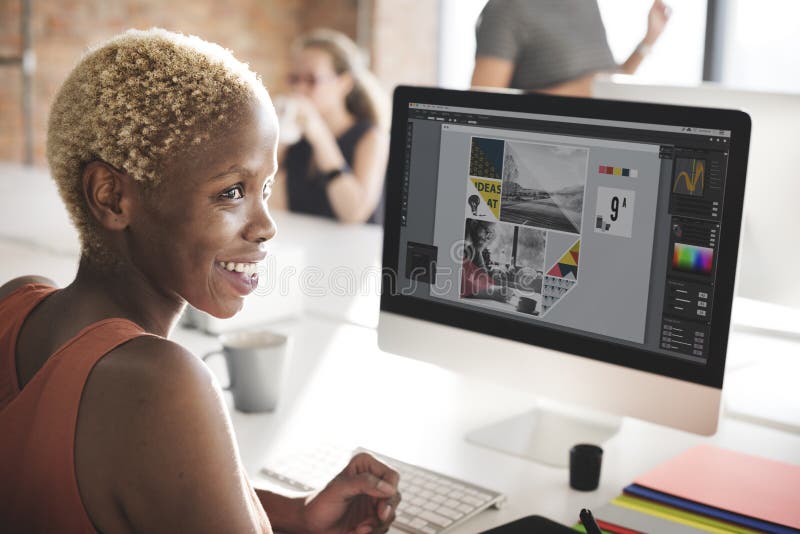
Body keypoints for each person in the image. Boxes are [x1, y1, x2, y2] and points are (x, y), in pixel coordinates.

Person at [0, 29, 400, 533]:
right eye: (232, 191)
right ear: (112, 197)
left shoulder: (14, 302)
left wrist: (294, 517)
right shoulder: (164, 383)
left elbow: (122, 478)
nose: (265, 226)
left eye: (266, 187)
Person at [269, 29, 389, 224]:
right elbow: (275, 209)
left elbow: (354, 214)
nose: (299, 89)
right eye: (294, 79)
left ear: (344, 83)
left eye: (311, 80)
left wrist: (319, 135)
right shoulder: (294, 139)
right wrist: (274, 145)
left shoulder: (370, 137)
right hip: (306, 248)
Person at [471, 0, 672, 97]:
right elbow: (483, 106)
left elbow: (611, 83)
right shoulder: (505, 10)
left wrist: (649, 39)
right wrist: (581, 90)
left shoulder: (586, 4)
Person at [461, 220, 511, 301]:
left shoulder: (474, 248)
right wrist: (493, 292)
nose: (487, 238)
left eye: (490, 234)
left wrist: (493, 273)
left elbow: (483, 277)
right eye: (487, 232)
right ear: (474, 224)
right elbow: (458, 283)